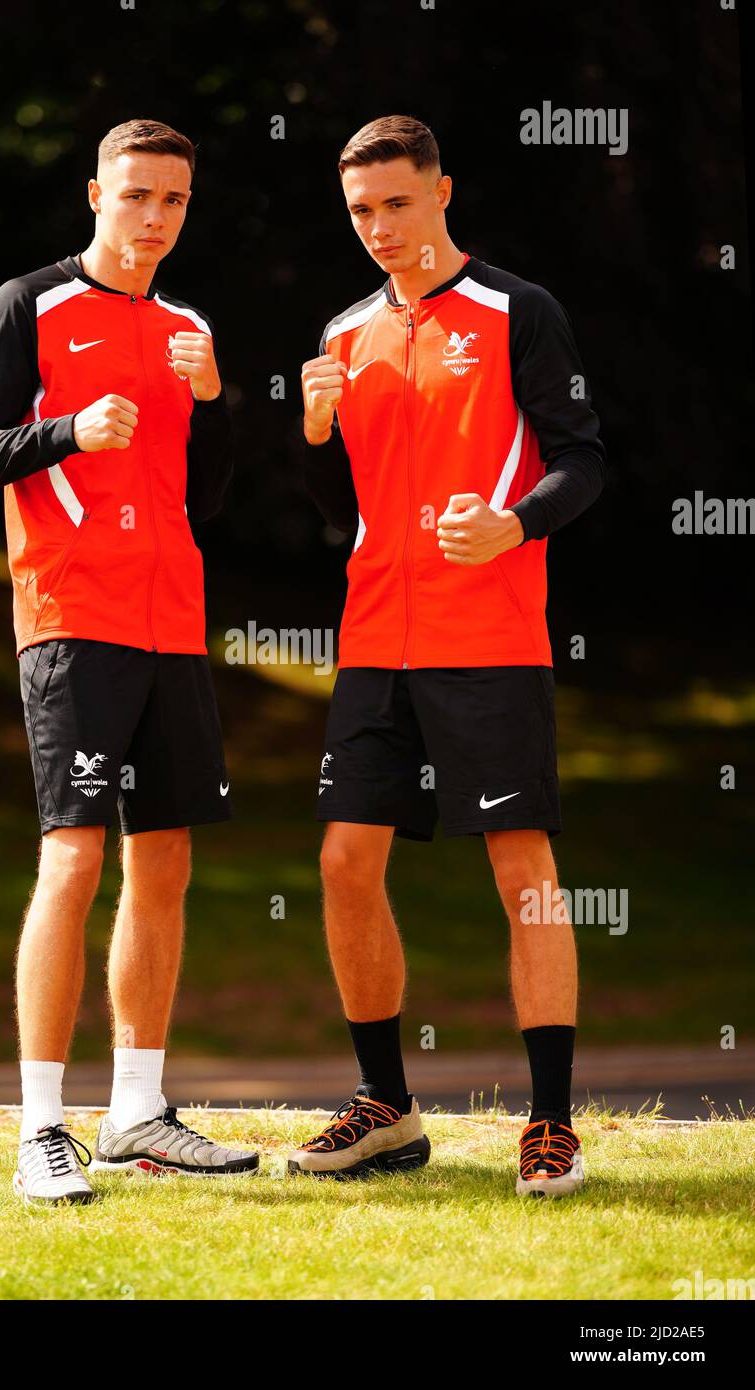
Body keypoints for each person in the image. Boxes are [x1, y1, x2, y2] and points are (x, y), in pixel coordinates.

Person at [0, 118, 258, 1204]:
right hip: (72, 617)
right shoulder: (27, 305)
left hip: (172, 622)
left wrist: (215, 398)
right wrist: (68, 431)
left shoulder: (186, 324)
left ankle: (137, 1110)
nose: (154, 218)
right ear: (94, 195)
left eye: (173, 200)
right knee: (72, 861)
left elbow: (207, 493)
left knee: (161, 864)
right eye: (135, 196)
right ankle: (40, 1128)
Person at [292, 115, 606, 1195]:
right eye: (359, 210)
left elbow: (582, 461)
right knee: (343, 862)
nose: (378, 227)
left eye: (395, 203)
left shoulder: (519, 310)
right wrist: (318, 436)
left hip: (490, 635)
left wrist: (514, 524)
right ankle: (387, 1105)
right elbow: (346, 509)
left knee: (522, 873)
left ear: (441, 192)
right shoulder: (340, 334)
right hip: (376, 636)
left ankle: (551, 1121)